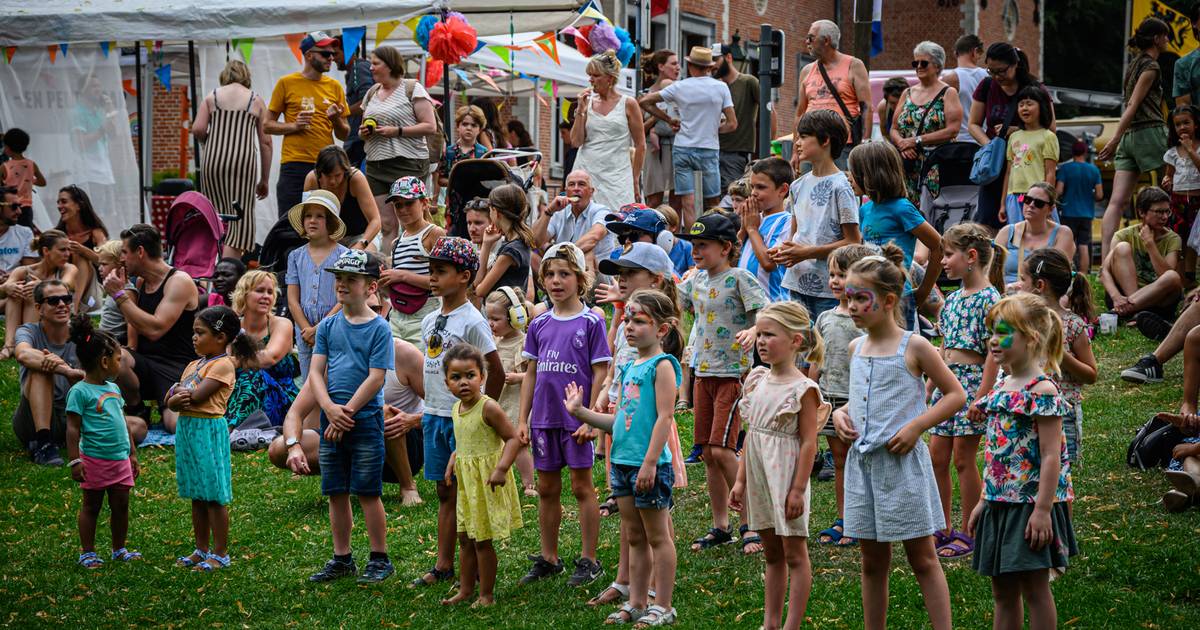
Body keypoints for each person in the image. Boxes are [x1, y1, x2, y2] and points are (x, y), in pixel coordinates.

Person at [832, 247, 962, 630]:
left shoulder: (914, 346)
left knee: (923, 558)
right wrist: (841, 414)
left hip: (902, 468)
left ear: (889, 301)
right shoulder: (856, 348)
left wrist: (917, 426)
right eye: (848, 298)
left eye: (860, 298)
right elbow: (858, 400)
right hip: (863, 468)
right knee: (872, 562)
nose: (851, 306)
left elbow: (955, 395)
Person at [565, 289, 680, 626]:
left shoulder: (662, 366)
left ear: (661, 329)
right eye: (627, 319)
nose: (629, 326)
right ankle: (637, 602)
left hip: (648, 466)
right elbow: (618, 421)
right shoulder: (629, 366)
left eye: (639, 321)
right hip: (622, 464)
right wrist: (581, 412)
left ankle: (663, 605)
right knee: (634, 536)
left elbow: (665, 417)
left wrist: (650, 462)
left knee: (657, 537)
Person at [969, 294, 1078, 630]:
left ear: (1030, 338)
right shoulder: (1002, 385)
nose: (992, 340)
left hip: (1029, 505)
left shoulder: (1042, 390)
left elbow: (1051, 455)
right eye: (992, 332)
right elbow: (996, 454)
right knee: (1002, 592)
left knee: (1034, 589)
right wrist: (983, 500)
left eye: (1002, 333)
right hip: (999, 503)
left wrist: (1043, 510)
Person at [410, 237, 504, 587]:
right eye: (430, 270)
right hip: (434, 414)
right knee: (444, 490)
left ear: (464, 276)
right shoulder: (429, 319)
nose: (432, 277)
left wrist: (482, 412)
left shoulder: (473, 321)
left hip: (463, 419)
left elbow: (495, 369)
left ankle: (473, 564)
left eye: (441, 271)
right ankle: (444, 564)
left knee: (468, 492)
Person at [517, 242, 611, 586]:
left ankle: (589, 559)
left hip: (576, 421)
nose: (556, 281)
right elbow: (531, 372)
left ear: (580, 279)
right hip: (544, 420)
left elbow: (600, 371)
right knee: (546, 488)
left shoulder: (591, 322)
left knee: (581, 486)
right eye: (550, 274)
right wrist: (522, 419)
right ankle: (549, 557)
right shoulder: (539, 323)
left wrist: (591, 416)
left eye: (565, 274)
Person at [676, 212, 768, 552]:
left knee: (722, 449)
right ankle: (720, 525)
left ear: (726, 247)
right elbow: (672, 299)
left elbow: (765, 312)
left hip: (731, 374)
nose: (695, 252)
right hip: (703, 373)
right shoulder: (696, 280)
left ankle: (751, 521)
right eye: (693, 245)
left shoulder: (740, 278)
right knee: (708, 452)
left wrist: (754, 330)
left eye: (703, 245)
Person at [304, 250, 396, 584]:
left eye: (351, 279)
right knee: (336, 490)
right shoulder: (328, 326)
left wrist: (347, 412)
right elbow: (316, 372)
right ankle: (342, 557)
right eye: (339, 278)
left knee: (368, 491)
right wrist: (329, 409)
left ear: (371, 287)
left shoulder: (380, 329)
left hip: (365, 420)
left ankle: (379, 557)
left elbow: (376, 377)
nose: (342, 284)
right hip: (331, 419)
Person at [928, 223, 1004, 559]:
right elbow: (943, 350)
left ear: (971, 256)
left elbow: (993, 355)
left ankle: (970, 531)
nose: (943, 261)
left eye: (948, 254)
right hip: (946, 384)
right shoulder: (953, 300)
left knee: (963, 459)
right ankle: (941, 526)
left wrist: (982, 396)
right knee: (936, 457)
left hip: (973, 384)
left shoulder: (991, 300)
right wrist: (928, 388)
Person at [167, 306, 255, 572]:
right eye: (194, 332)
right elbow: (171, 398)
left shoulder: (223, 365)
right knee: (197, 493)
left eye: (200, 333)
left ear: (220, 337)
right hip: (188, 429)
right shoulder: (193, 365)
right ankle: (200, 549)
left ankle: (220, 553)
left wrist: (176, 394)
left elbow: (195, 396)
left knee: (214, 494)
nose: (194, 338)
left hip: (208, 430)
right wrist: (175, 396)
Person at [439, 344, 524, 607]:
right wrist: (453, 459)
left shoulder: (488, 408)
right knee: (465, 538)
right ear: (447, 383)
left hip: (487, 482)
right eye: (456, 377)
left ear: (482, 377)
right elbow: (464, 441)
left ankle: (486, 594)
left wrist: (501, 469)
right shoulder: (457, 409)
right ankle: (466, 590)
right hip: (468, 485)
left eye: (470, 375)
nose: (463, 382)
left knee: (482, 541)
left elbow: (513, 439)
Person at [106, 224, 200, 434]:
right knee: (116, 357)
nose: (121, 259)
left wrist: (119, 296)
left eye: (124, 252)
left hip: (177, 368)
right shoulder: (141, 282)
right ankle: (138, 409)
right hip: (146, 363)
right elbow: (135, 323)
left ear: (140, 252)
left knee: (175, 426)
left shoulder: (179, 281)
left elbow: (155, 329)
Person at [812, 243, 875, 547]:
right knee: (839, 460)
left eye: (842, 274)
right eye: (832, 274)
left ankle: (863, 518)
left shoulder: (866, 319)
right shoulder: (825, 317)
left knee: (861, 460)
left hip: (858, 398)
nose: (835, 281)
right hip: (830, 397)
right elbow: (816, 358)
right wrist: (811, 393)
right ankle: (844, 517)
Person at [65, 314, 140, 568]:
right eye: (119, 359)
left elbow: (123, 422)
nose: (121, 364)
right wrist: (75, 460)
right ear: (105, 362)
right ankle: (87, 552)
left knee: (121, 505)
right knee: (91, 506)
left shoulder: (114, 389)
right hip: (94, 460)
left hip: (119, 459)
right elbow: (73, 428)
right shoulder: (80, 391)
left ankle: (119, 549)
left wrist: (132, 454)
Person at [773, 110, 862, 319]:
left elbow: (853, 242)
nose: (797, 143)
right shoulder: (797, 185)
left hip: (829, 288)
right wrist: (783, 251)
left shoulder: (841, 187)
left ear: (825, 140)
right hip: (797, 282)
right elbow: (795, 237)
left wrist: (806, 253)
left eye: (804, 137)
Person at [846, 141, 944, 330]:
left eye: (854, 172)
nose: (849, 177)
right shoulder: (865, 210)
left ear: (871, 174)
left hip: (898, 297)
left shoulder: (902, 208)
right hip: (869, 294)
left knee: (901, 347)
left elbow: (939, 246)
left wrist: (924, 290)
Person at [639, 46, 737, 225]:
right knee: (713, 202)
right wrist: (713, 129)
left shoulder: (680, 86)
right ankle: (712, 235)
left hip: (682, 147)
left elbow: (645, 101)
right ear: (710, 67)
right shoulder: (721, 87)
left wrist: (668, 119)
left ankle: (693, 238)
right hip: (708, 147)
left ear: (690, 66)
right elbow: (732, 124)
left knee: (687, 203)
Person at [1098, 17, 1171, 260]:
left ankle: (1107, 258)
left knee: (1116, 202)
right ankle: (1168, 253)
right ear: (1156, 38)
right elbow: (1133, 104)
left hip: (1129, 137)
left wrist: (1120, 139)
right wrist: (1114, 139)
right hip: (1149, 133)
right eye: (1165, 36)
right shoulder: (1152, 66)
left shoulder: (1132, 65)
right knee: (1169, 192)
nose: (1168, 40)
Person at [1019, 248, 1097, 466]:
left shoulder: (1072, 325)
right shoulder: (1022, 322)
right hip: (1026, 408)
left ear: (1039, 285)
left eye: (1023, 279)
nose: (1018, 285)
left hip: (1063, 412)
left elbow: (1091, 375)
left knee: (1060, 472)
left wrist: (1060, 355)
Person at [358, 45, 437, 251]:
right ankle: (388, 264)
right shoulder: (371, 93)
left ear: (390, 65)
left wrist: (398, 131)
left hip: (407, 163)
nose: (371, 68)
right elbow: (361, 128)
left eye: (376, 63)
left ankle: (421, 259)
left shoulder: (412, 88)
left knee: (413, 221)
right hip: (376, 165)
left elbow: (430, 126)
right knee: (386, 224)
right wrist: (364, 132)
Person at [967, 43, 1055, 229]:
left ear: (1015, 64)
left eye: (1001, 71)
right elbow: (973, 124)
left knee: (1026, 223)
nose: (997, 77)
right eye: (991, 71)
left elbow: (1050, 127)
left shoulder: (1034, 89)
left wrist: (1016, 132)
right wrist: (992, 147)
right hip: (995, 166)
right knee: (987, 221)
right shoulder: (987, 85)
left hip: (1026, 168)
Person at [191, 60, 271, 258]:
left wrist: (208, 142)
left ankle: (209, 265)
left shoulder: (212, 97)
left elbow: (198, 129)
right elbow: (266, 142)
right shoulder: (255, 100)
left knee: (214, 213)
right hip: (243, 162)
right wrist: (264, 179)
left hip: (213, 159)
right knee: (240, 219)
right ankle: (228, 269)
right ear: (246, 76)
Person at [266, 31, 349, 218]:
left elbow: (344, 134)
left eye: (332, 54)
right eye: (325, 54)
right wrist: (294, 126)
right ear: (309, 55)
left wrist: (335, 119)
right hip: (294, 165)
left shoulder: (335, 86)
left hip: (325, 166)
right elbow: (266, 124)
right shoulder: (286, 83)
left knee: (325, 222)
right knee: (289, 223)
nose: (331, 58)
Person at [12, 280, 84, 465]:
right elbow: (23, 354)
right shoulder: (28, 331)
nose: (61, 304)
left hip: (71, 416)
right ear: (39, 308)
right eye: (53, 301)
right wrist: (65, 370)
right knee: (41, 370)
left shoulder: (81, 334)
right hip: (32, 420)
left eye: (66, 299)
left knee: (137, 428)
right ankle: (43, 444)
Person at [285, 189, 349, 380]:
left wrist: (319, 328)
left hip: (334, 324)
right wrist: (307, 329)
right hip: (304, 328)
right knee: (309, 380)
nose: (312, 220)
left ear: (330, 222)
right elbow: (292, 300)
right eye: (308, 216)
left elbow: (344, 297)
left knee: (332, 379)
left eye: (319, 216)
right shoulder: (295, 256)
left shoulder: (344, 255)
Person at [572, 51, 645, 214]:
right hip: (587, 170)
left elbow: (641, 145)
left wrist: (635, 179)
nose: (591, 80)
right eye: (589, 75)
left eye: (596, 75)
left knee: (618, 217)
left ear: (610, 79)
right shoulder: (587, 103)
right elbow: (576, 142)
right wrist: (580, 111)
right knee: (585, 218)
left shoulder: (628, 103)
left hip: (618, 175)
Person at [224, 270, 299, 428]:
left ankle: (228, 429)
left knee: (252, 373)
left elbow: (269, 358)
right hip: (238, 393)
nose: (266, 296)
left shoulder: (281, 324)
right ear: (244, 294)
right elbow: (224, 362)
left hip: (279, 398)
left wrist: (233, 362)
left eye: (270, 292)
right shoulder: (233, 326)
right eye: (260, 291)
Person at [891, 42, 963, 204]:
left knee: (932, 208)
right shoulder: (907, 93)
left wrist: (915, 141)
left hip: (935, 166)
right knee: (906, 208)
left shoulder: (948, 93)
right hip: (907, 165)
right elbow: (894, 128)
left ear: (937, 66)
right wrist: (903, 144)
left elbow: (953, 130)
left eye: (923, 63)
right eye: (915, 63)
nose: (918, 67)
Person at [794, 20, 872, 170]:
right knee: (809, 184)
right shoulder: (807, 70)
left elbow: (866, 107)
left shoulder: (854, 65)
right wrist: (795, 151)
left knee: (841, 183)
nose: (807, 42)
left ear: (826, 40)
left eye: (811, 38)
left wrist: (865, 144)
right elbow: (800, 113)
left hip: (841, 145)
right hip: (810, 144)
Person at [484, 288, 537, 495]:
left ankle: (528, 483)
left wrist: (518, 377)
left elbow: (537, 374)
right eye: (488, 318)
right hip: (498, 400)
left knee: (519, 442)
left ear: (516, 317)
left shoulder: (525, 343)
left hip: (516, 402)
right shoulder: (493, 343)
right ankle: (497, 477)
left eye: (496, 319)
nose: (491, 324)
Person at [1102, 186, 1183, 319]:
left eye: (1167, 212)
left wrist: (1150, 244)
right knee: (1122, 247)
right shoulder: (1124, 235)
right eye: (1159, 212)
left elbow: (1165, 275)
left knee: (1172, 276)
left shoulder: (1173, 239)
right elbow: (1104, 270)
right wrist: (1115, 296)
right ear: (1141, 212)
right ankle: (1136, 311)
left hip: (1158, 298)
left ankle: (1129, 311)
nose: (1164, 217)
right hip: (1125, 296)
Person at [382, 177, 444, 347]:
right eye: (398, 205)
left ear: (424, 203)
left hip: (425, 313)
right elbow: (397, 288)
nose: (403, 209)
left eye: (409, 203)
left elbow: (442, 282)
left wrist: (402, 276)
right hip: (397, 314)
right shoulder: (396, 243)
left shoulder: (434, 234)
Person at [2, 230, 80, 357]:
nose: (67, 254)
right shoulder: (23, 271)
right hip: (36, 316)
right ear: (46, 251)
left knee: (36, 294)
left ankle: (30, 342)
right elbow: (4, 290)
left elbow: (66, 285)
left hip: (60, 315)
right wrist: (7, 288)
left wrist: (40, 286)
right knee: (14, 292)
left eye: (68, 250)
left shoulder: (69, 268)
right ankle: (10, 345)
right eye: (62, 250)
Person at [994, 183, 1075, 287]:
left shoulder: (1062, 233)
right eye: (1027, 200)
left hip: (1042, 293)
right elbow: (991, 270)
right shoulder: (1008, 232)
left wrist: (1016, 287)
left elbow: (1057, 276)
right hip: (1006, 292)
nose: (1031, 205)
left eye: (1039, 203)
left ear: (1051, 209)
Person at [532, 171, 617, 269]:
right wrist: (549, 211)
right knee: (529, 256)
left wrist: (561, 257)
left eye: (581, 184)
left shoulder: (602, 211)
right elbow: (535, 242)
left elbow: (593, 237)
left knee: (588, 254)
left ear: (591, 191)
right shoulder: (559, 212)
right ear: (566, 191)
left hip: (593, 273)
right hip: (563, 270)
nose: (576, 188)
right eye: (572, 184)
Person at [302, 145, 381, 249]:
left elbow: (375, 220)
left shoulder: (356, 179)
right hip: (328, 239)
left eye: (337, 175)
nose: (332, 181)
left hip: (361, 236)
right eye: (328, 176)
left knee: (365, 256)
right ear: (319, 173)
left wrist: (360, 245)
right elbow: (306, 219)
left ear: (345, 170)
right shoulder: (312, 179)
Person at [737, 157, 793, 303]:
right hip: (745, 302)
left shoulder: (787, 222)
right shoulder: (753, 217)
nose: (753, 193)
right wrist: (743, 229)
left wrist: (752, 229)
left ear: (783, 190)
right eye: (752, 187)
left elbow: (769, 263)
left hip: (771, 303)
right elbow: (732, 257)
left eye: (761, 187)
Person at [1001, 86, 1059, 225]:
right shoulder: (1013, 137)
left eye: (1029, 104)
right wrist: (1003, 203)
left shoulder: (1048, 136)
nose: (1024, 108)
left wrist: (1048, 201)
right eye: (1021, 105)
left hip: (1038, 199)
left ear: (1041, 108)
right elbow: (1008, 172)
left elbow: (1050, 172)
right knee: (1018, 234)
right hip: (1016, 197)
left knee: (1043, 234)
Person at [715, 42, 765, 191]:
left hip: (735, 153)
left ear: (728, 57)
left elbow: (769, 111)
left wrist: (767, 147)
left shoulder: (748, 82)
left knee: (733, 196)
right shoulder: (714, 86)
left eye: (716, 59)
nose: (712, 64)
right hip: (711, 151)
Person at [1161, 104, 1200, 280]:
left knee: (1194, 239)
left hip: (1197, 201)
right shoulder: (1172, 153)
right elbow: (1169, 174)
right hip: (1178, 201)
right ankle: (1180, 278)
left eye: (1186, 123)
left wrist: (1190, 149)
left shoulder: (1197, 148)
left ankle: (1191, 274)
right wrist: (1167, 180)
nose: (1182, 127)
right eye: (1178, 124)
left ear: (1196, 124)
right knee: (1179, 239)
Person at [476, 184, 534, 298]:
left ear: (496, 212)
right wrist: (486, 244)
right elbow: (478, 282)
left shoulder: (510, 251)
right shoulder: (518, 243)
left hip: (503, 309)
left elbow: (479, 290)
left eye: (490, 210)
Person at [1056, 140, 1103, 274]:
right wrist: (1089, 195)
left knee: (1066, 243)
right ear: (1085, 153)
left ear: (1072, 153)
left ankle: (1065, 272)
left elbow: (1059, 191)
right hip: (1086, 214)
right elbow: (1100, 195)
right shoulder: (1094, 170)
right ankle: (1083, 275)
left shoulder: (1065, 169)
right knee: (1083, 244)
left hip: (1068, 212)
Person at [641, 50, 680, 208]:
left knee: (677, 200)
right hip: (653, 150)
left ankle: (674, 225)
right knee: (654, 200)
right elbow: (638, 131)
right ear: (661, 67)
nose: (678, 67)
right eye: (674, 63)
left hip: (677, 146)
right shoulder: (645, 95)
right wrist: (656, 117)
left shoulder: (683, 92)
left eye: (678, 64)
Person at [942, 34, 988, 145]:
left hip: (960, 140)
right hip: (985, 139)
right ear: (975, 51)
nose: (979, 58)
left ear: (955, 53)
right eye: (979, 55)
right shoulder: (988, 76)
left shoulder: (950, 78)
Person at [0, 128, 46, 227]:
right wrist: (29, 180)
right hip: (27, 208)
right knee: (26, 232)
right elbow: (43, 182)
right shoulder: (31, 164)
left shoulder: (4, 167)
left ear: (8, 148)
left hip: (10, 207)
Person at [94, 241, 133, 345]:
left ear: (120, 265)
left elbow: (131, 323)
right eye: (99, 264)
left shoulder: (127, 291)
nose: (99, 268)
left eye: (104, 264)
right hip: (105, 340)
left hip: (116, 343)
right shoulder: (111, 288)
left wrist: (131, 348)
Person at [0, 186, 37, 283]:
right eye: (14, 207)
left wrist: (12, 278)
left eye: (19, 206)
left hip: (16, 286)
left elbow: (28, 270)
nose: (19, 211)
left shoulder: (25, 233)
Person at [875, 77, 910, 144]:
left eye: (900, 102)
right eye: (893, 103)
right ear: (887, 100)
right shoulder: (883, 107)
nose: (897, 107)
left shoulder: (914, 105)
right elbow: (885, 134)